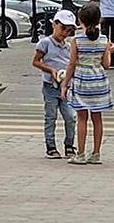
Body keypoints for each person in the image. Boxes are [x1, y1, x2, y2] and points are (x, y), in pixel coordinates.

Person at [62, 3, 114, 165]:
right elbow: (106, 65)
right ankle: (96, 153)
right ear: (99, 20)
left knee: (82, 118)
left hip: (82, 81)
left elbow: (71, 64)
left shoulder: (77, 40)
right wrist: (108, 51)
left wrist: (65, 84)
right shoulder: (104, 39)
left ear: (80, 20)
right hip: (98, 81)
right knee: (97, 118)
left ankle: (81, 153)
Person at [32, 9, 79, 158]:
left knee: (71, 117)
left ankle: (69, 145)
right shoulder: (45, 43)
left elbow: (72, 63)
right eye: (63, 28)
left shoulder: (69, 46)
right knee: (50, 116)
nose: (65, 33)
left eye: (69, 30)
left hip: (66, 86)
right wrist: (51, 70)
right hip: (50, 86)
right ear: (55, 25)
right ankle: (51, 146)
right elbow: (35, 61)